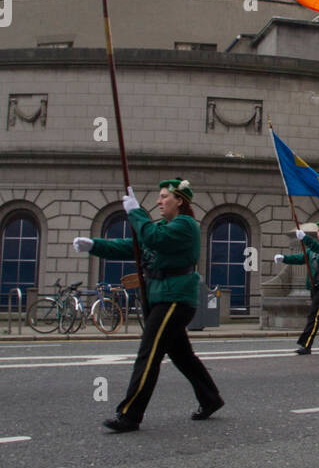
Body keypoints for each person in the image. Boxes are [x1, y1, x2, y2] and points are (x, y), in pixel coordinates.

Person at [73, 178, 223, 432]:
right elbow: (133, 246)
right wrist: (95, 245)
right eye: (159, 197)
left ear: (179, 200)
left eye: (164, 196)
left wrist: (136, 212)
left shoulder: (185, 226)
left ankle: (130, 414)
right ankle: (210, 399)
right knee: (182, 356)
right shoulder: (163, 226)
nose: (159, 201)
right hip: (159, 298)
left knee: (149, 353)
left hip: (175, 299)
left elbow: (152, 238)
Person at [276, 220, 319, 354]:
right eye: (318, 231)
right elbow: (300, 258)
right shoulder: (312, 250)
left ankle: (306, 344)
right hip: (315, 285)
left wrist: (305, 238)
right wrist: (283, 258)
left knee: (314, 314)